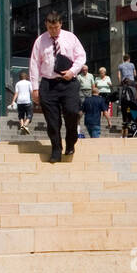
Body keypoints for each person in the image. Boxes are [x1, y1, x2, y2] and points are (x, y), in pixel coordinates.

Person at [29, 12, 87, 162]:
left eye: (55, 27)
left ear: (61, 24)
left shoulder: (70, 37)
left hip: (69, 82)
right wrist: (35, 88)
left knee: (72, 112)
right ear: (46, 26)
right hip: (48, 84)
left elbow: (81, 56)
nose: (53, 30)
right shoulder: (40, 41)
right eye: (50, 28)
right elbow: (34, 64)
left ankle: (70, 141)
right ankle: (56, 149)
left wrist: (72, 71)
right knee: (52, 121)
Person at [13, 71, 33, 135]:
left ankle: (22, 126)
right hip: (27, 101)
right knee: (29, 114)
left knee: (21, 115)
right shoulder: (29, 83)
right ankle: (25, 125)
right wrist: (34, 99)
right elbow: (31, 92)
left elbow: (16, 93)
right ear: (26, 77)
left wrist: (13, 101)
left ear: (20, 77)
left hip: (19, 101)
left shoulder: (17, 83)